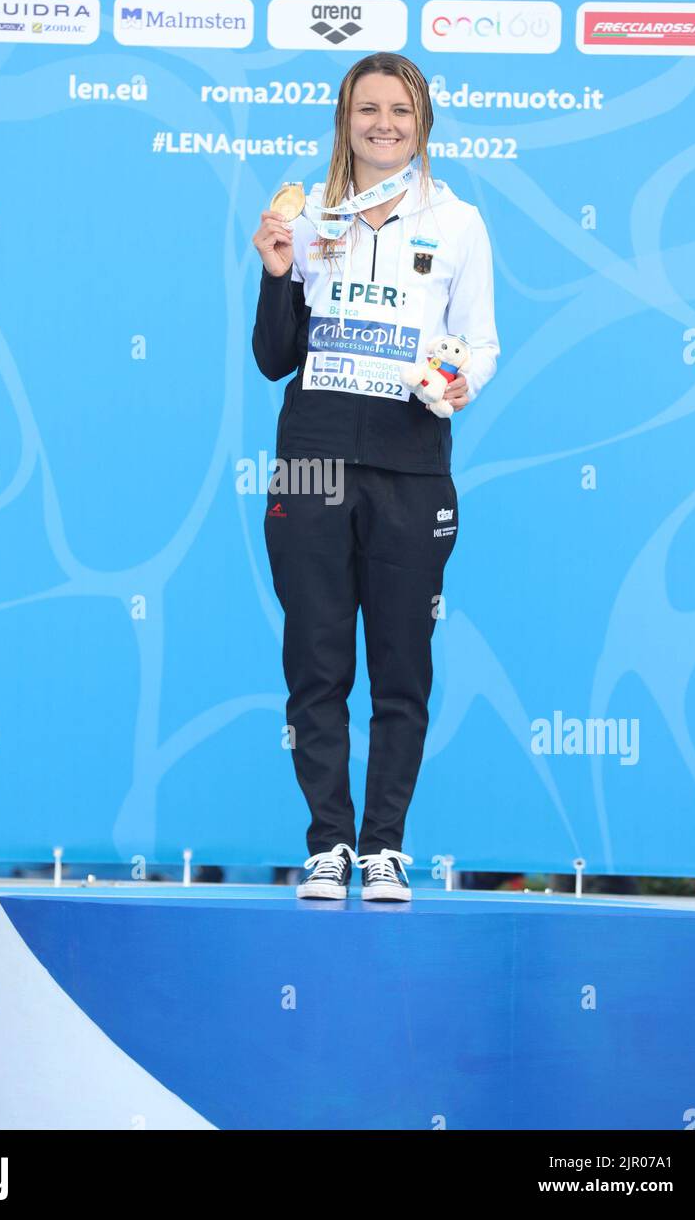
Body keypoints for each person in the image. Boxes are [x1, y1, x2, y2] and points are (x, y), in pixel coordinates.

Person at [251, 52, 500, 902]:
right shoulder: (308, 216)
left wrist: (462, 383)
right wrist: (276, 272)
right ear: (344, 119)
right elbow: (274, 357)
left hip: (410, 465)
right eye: (368, 108)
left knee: (402, 669)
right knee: (316, 661)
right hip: (313, 462)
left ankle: (384, 847)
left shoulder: (458, 222)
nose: (384, 123)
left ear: (422, 121)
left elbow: (479, 342)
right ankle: (328, 844)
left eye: (400, 109)